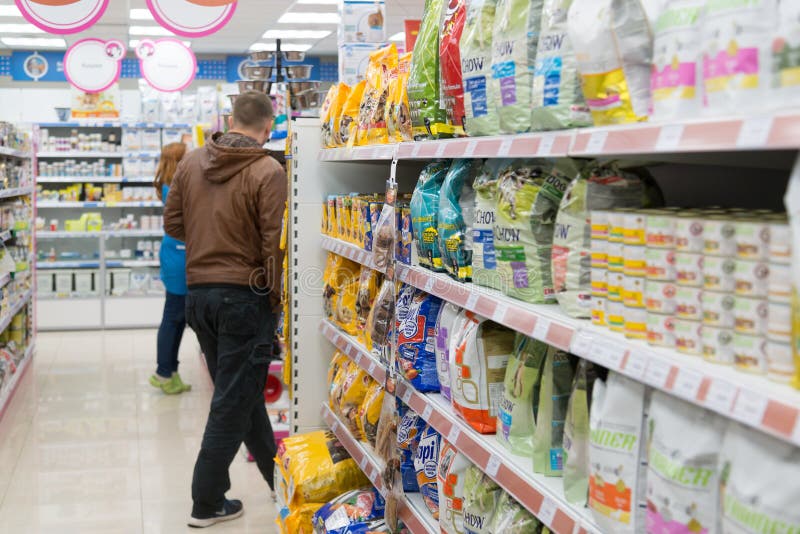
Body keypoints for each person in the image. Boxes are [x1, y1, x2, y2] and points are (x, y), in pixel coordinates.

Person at [164, 91, 286, 528]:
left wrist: (207, 240)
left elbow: (172, 223)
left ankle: (278, 482)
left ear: (230, 119)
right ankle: (206, 500)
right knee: (232, 400)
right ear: (268, 127)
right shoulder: (268, 169)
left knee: (243, 393)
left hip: (200, 296)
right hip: (244, 297)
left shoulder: (191, 162)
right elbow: (272, 242)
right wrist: (275, 299)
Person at [150, 142, 191, 395]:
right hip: (178, 256)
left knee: (178, 318)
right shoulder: (174, 187)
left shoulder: (172, 184)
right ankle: (163, 372)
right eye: (187, 155)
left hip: (176, 253)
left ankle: (171, 372)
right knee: (173, 316)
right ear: (178, 161)